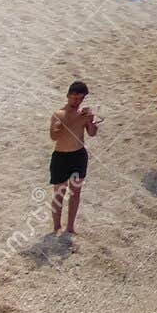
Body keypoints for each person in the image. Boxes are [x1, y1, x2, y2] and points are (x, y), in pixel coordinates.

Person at [48, 81, 98, 234]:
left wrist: (91, 120)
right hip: (61, 157)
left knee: (76, 192)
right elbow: (53, 136)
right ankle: (56, 226)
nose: (77, 101)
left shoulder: (83, 114)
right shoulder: (59, 114)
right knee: (59, 194)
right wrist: (67, 122)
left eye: (81, 99)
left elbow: (92, 133)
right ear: (68, 95)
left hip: (78, 156)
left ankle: (70, 226)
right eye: (75, 98)